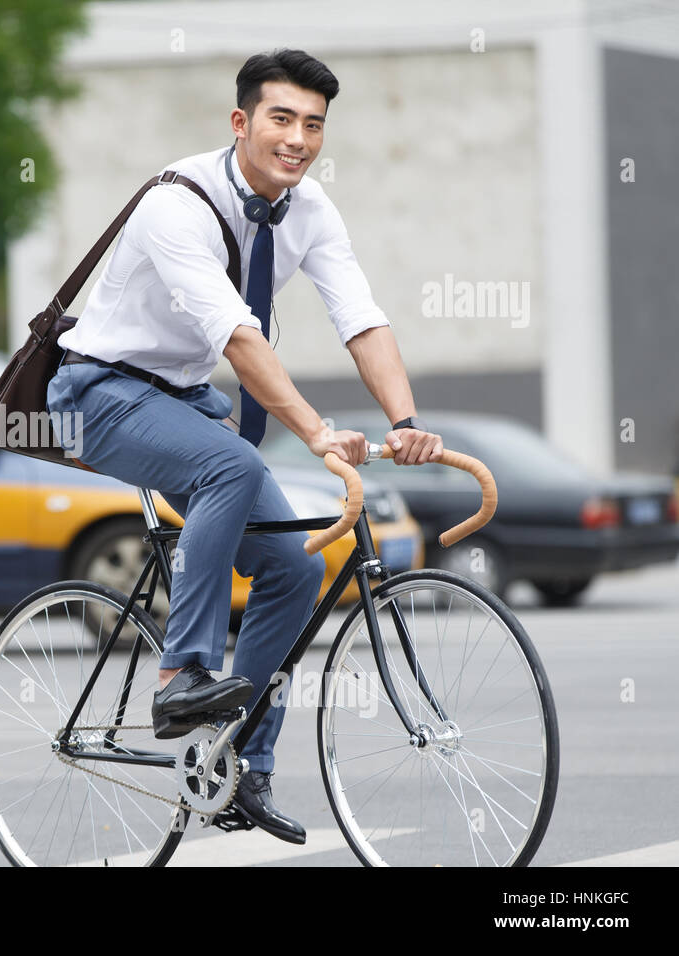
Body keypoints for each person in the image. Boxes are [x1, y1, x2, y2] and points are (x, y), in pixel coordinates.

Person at [46, 49, 444, 844]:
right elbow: (237, 336)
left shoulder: (309, 209)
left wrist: (403, 420)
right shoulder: (177, 204)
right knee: (229, 462)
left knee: (294, 569)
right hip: (99, 392)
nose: (298, 139)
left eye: (313, 125)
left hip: (185, 403)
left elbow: (359, 317)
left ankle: (239, 767)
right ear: (241, 123)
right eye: (281, 119)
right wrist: (317, 431)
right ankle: (179, 675)